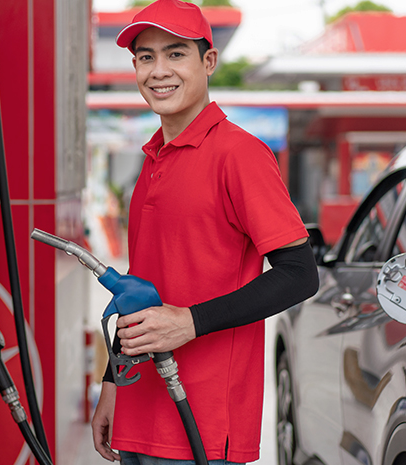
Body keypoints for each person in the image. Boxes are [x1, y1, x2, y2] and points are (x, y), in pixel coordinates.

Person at [90, 1, 320, 464]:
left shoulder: (240, 155)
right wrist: (114, 385)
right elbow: (139, 289)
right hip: (142, 413)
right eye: (146, 57)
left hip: (204, 425)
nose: (159, 71)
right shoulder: (154, 158)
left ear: (208, 62)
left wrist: (190, 322)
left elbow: (299, 274)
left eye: (176, 54)